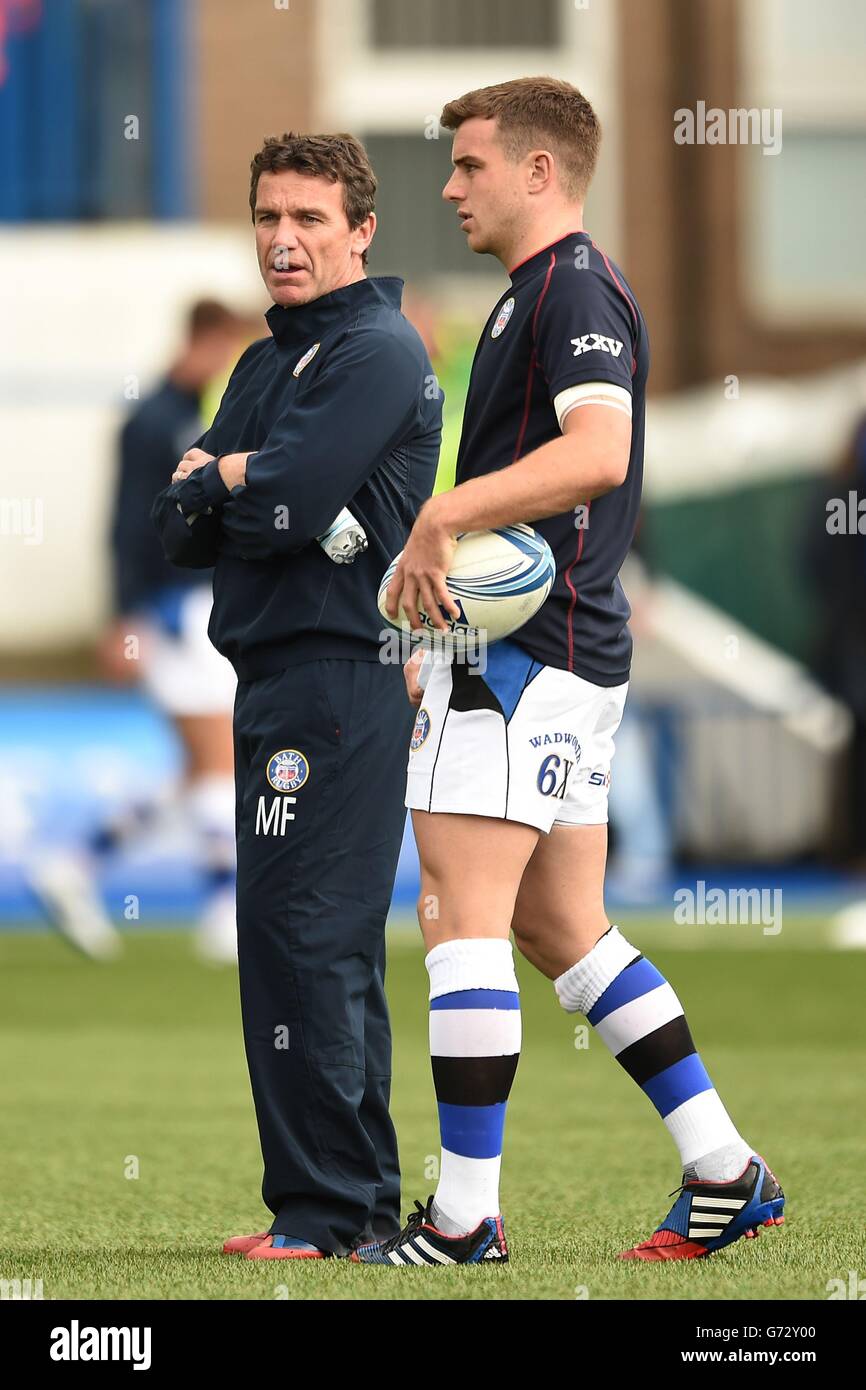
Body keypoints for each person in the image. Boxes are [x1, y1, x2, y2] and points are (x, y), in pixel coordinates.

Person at [357, 78, 784, 1267]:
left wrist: (440, 517)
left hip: (524, 664)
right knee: (562, 926)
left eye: (469, 165)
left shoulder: (572, 286)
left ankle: (462, 1218)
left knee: (460, 920)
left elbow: (598, 453)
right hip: (560, 657)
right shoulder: (527, 296)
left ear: (540, 172)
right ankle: (723, 1168)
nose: (447, 185)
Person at [152, 132, 442, 1259]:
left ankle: (330, 1215)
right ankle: (338, 1205)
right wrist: (235, 487)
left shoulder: (373, 348)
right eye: (269, 217)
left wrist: (227, 478)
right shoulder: (268, 362)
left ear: (359, 231)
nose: (283, 240)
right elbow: (178, 530)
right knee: (293, 942)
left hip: (336, 680)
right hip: (273, 677)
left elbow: (269, 504)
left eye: (309, 220)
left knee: (309, 940)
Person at [28, 300, 246, 964]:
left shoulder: (203, 414)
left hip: (197, 604)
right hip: (175, 608)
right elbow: (129, 522)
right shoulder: (154, 419)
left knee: (202, 764)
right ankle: (222, 911)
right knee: (219, 759)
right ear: (206, 341)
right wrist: (126, 615)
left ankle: (73, 863)